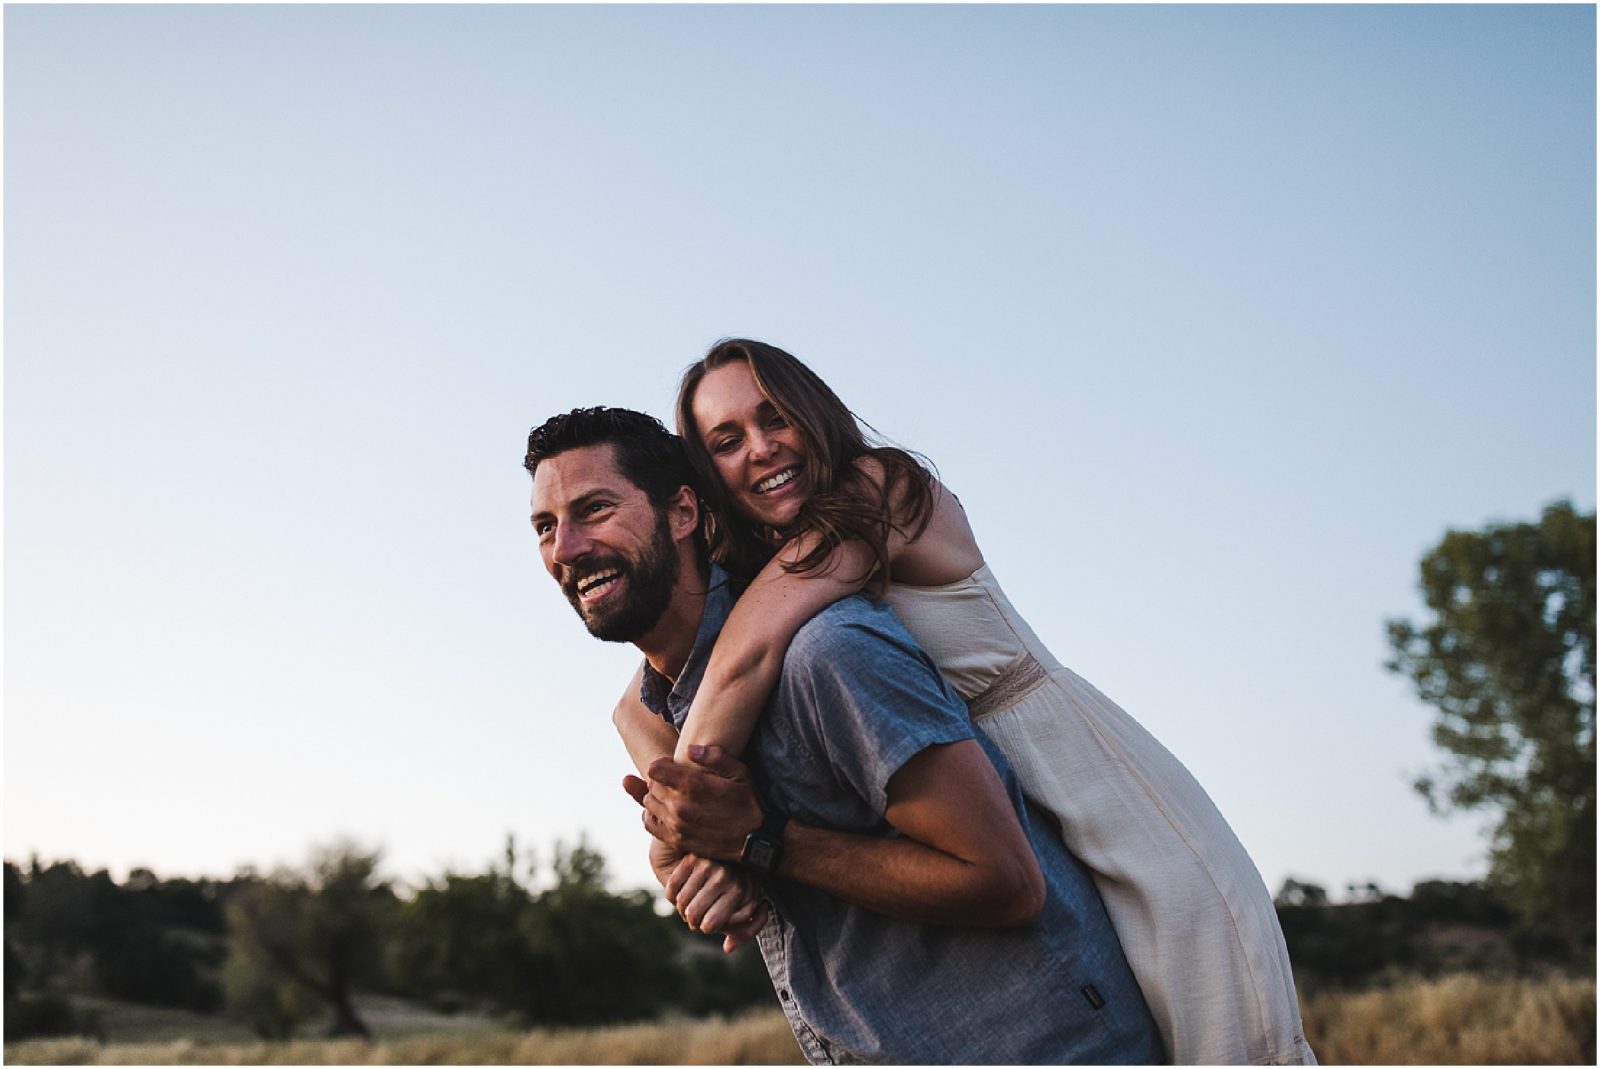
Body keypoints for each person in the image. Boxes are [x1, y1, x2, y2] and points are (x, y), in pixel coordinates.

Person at [614, 339, 1316, 1066]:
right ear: (708, 476)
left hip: (1085, 780)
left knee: (1227, 1034)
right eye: (727, 441)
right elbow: (635, 708)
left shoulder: (879, 488)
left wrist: (688, 832)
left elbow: (742, 658)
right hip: (989, 796)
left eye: (775, 417)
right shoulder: (769, 567)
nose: (760, 449)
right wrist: (695, 855)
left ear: (813, 413)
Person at [526, 406, 1163, 1064]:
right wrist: (714, 879)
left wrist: (762, 842)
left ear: (683, 512)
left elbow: (1006, 881)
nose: (565, 549)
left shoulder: (828, 652)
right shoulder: (662, 711)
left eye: (594, 509)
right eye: (545, 526)